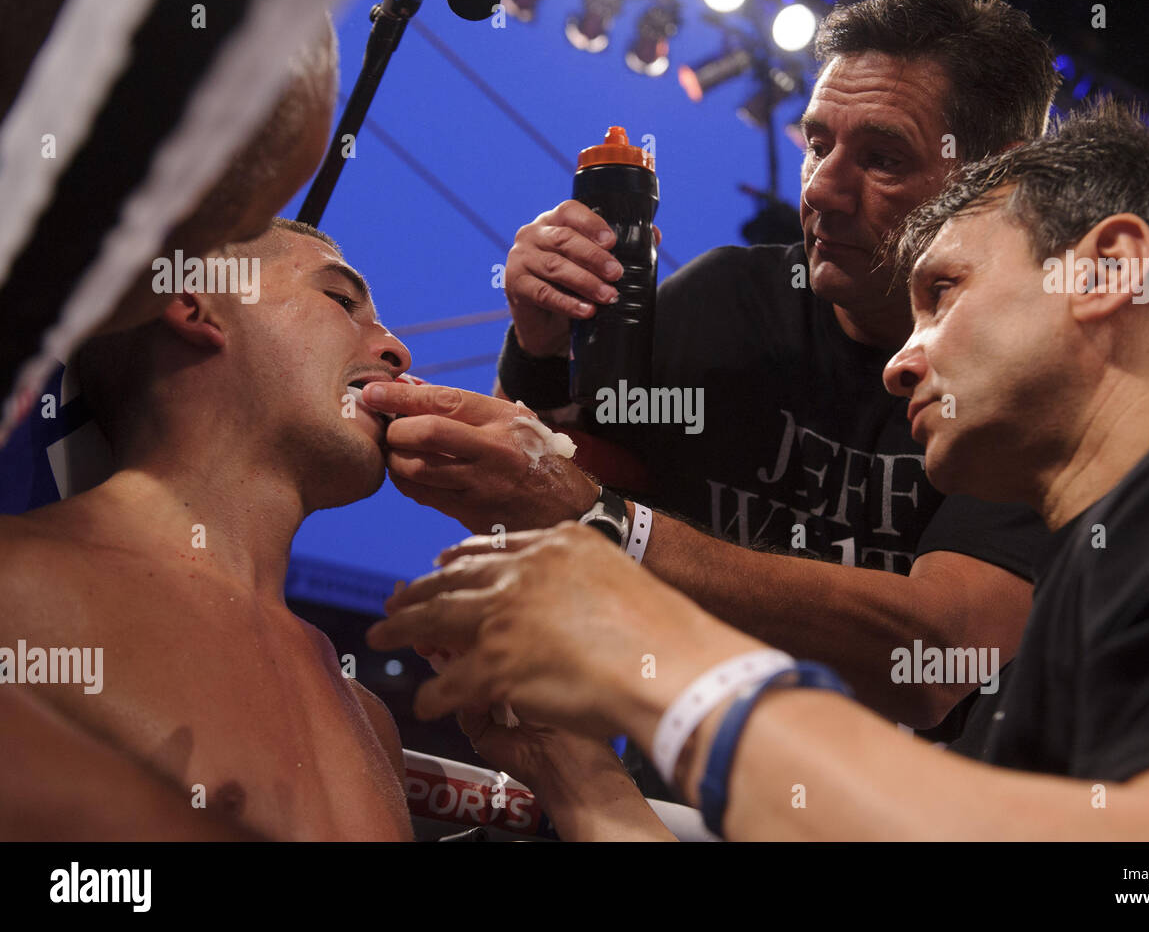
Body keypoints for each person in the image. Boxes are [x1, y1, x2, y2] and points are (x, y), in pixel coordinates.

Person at [367, 101, 1149, 840]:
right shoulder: (1086, 597)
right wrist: (585, 781)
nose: (902, 358)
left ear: (1104, 273)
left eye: (943, 292)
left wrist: (684, 668)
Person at [373, 0, 1061, 732]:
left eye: (883, 157)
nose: (823, 188)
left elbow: (935, 657)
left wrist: (606, 524)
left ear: (999, 178)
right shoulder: (726, 300)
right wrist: (539, 345)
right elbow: (528, 522)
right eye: (818, 142)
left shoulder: (1036, 379)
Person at [0, 219, 673, 841]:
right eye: (342, 301)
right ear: (193, 302)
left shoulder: (365, 717)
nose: (396, 347)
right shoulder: (18, 598)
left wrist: (581, 776)